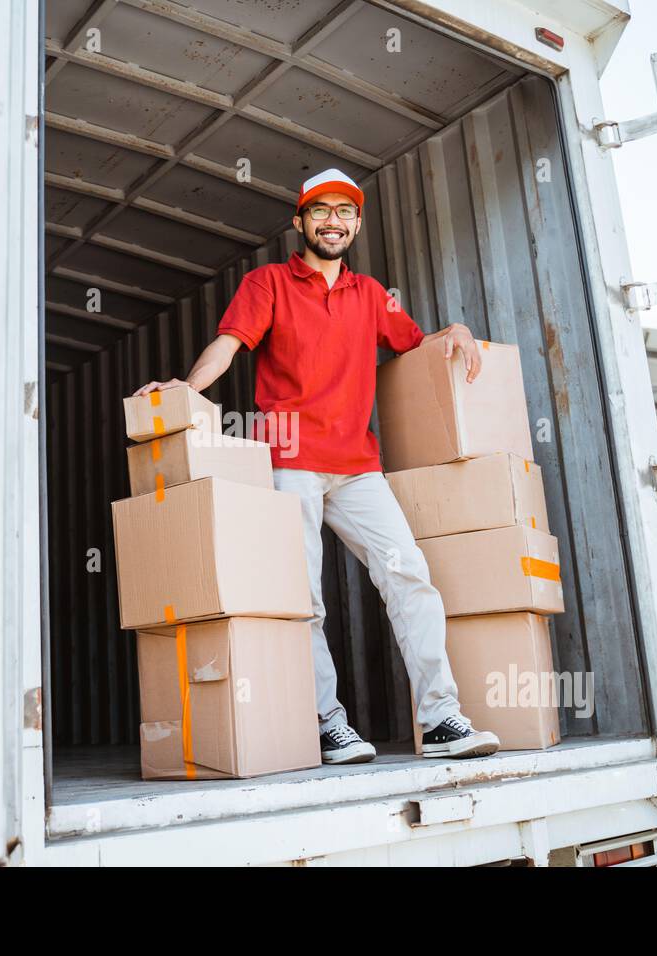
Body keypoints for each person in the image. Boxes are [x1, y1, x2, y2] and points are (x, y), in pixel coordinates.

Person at [133, 168, 500, 765]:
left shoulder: (372, 294)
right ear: (299, 222)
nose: (334, 221)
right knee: (306, 598)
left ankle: (439, 720)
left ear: (356, 224)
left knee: (410, 578)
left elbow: (414, 343)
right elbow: (229, 343)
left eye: (346, 212)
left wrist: (454, 330)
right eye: (321, 211)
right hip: (290, 461)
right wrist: (187, 388)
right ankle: (327, 723)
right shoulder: (268, 282)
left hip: (359, 467)